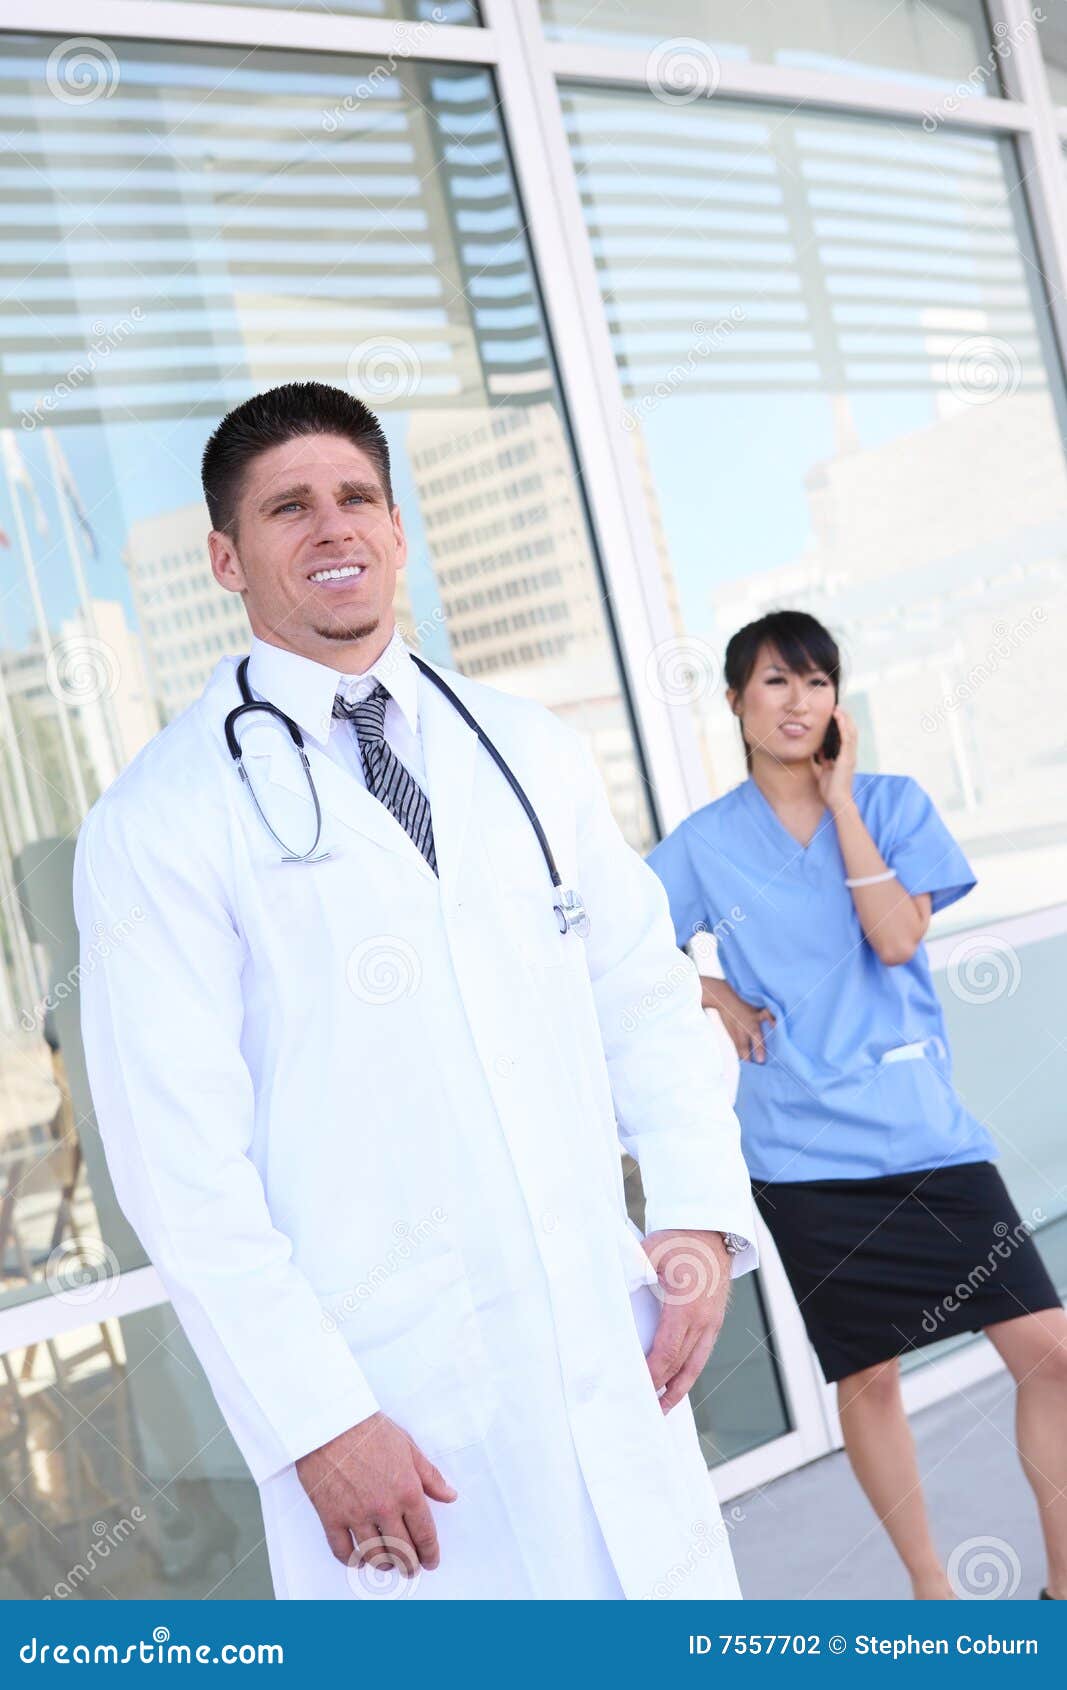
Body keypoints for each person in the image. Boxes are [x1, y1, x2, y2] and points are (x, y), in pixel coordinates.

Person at [72, 380, 757, 1602]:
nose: (331, 528)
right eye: (289, 509)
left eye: (356, 499)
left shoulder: (524, 748)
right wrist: (318, 1419)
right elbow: (180, 1166)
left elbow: (646, 999)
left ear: (397, 530)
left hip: (604, 1349)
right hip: (394, 1402)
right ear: (227, 558)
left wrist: (695, 1211)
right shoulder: (161, 819)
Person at [647, 609, 1067, 1602]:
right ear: (733, 703)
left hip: (925, 1135)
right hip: (803, 1154)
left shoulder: (890, 802)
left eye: (815, 683)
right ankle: (932, 1591)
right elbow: (616, 950)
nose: (797, 702)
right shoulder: (705, 845)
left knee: (1050, 1356)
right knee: (868, 1379)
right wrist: (709, 992)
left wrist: (839, 805)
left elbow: (889, 939)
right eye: (774, 683)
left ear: (837, 702)